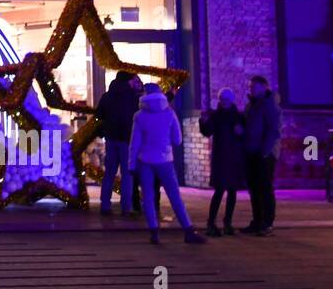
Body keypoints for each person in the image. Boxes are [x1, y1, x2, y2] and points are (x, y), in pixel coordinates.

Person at [128, 82, 204, 245]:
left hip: (145, 160)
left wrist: (131, 164)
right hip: (165, 160)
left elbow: (135, 143)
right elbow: (177, 140)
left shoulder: (139, 115)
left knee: (148, 196)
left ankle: (154, 231)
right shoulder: (169, 113)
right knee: (174, 195)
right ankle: (188, 230)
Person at [199, 87, 245, 237]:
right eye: (223, 99)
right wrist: (203, 122)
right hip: (221, 157)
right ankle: (211, 223)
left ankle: (227, 223)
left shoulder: (238, 116)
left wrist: (241, 133)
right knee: (219, 191)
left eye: (227, 100)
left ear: (231, 100)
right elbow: (207, 132)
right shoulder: (217, 115)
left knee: (231, 191)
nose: (225, 102)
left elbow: (243, 134)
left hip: (233, 157)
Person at [241, 75, 282, 237]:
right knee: (254, 188)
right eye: (251, 86)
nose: (251, 89)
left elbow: (273, 130)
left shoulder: (269, 104)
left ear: (264, 87)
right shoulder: (252, 105)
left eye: (254, 86)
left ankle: (267, 222)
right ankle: (257, 220)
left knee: (264, 187)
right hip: (252, 151)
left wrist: (265, 152)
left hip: (264, 153)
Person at [95, 71, 138, 216]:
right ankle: (126, 207)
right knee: (127, 175)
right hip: (126, 140)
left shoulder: (107, 96)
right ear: (127, 81)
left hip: (111, 139)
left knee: (109, 173)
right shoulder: (132, 97)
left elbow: (99, 115)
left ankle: (105, 205)